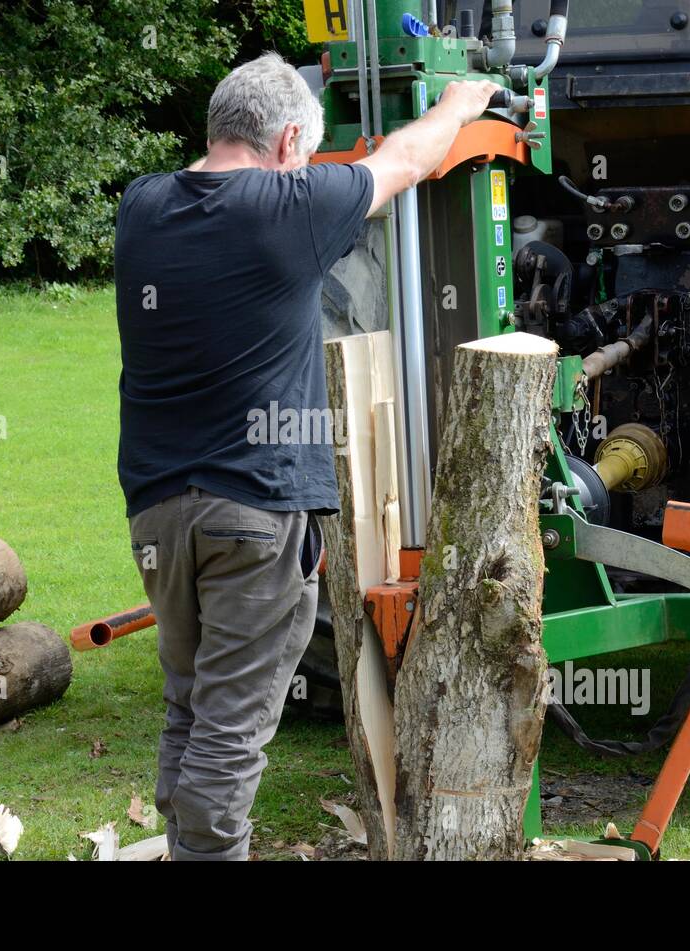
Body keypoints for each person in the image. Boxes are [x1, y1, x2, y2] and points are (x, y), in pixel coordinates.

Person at [113, 51, 501, 861]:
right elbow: (406, 159)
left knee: (191, 706)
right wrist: (462, 100)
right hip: (254, 509)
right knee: (231, 728)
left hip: (157, 509)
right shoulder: (284, 209)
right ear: (291, 140)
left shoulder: (142, 207)